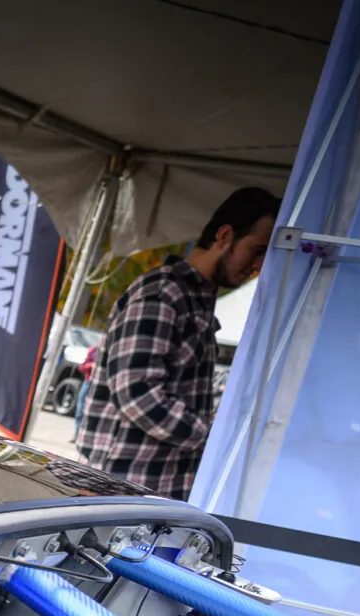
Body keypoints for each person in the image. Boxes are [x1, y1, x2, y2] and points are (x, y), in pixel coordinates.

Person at [78, 186, 280, 499]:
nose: (259, 265)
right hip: (123, 490)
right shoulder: (163, 294)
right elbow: (138, 395)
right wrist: (211, 434)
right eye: (257, 249)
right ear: (224, 236)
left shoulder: (195, 298)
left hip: (153, 489)